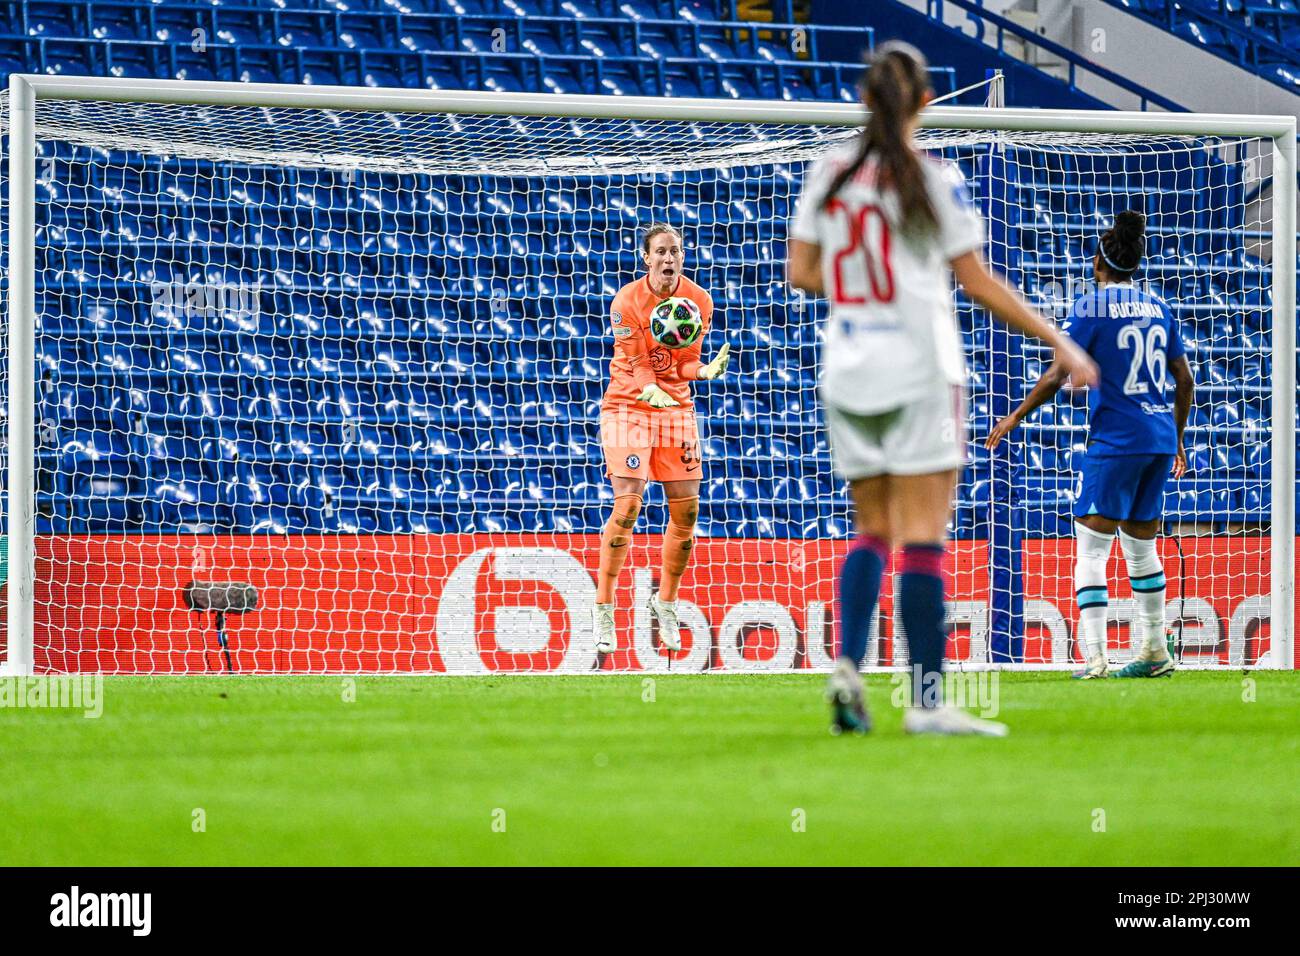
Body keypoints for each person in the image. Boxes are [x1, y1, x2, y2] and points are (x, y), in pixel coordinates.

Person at [787, 40, 1098, 735]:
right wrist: (1060, 341)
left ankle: (848, 667)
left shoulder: (828, 174)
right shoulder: (937, 178)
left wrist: (866, 291)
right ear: (925, 102)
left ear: (865, 100)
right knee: (923, 535)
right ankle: (927, 703)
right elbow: (978, 283)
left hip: (848, 368)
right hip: (923, 368)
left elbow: (802, 273)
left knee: (870, 529)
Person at [986, 210, 1194, 679]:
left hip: (1117, 440)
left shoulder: (1091, 308)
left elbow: (1060, 372)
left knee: (1093, 549)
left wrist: (1016, 415)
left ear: (1098, 264)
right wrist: (1177, 439)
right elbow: (1185, 380)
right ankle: (1155, 651)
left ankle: (1096, 656)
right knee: (1141, 547)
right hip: (1159, 438)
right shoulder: (1158, 307)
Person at [592, 223, 732, 655]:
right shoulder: (626, 302)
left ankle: (666, 601)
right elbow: (637, 365)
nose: (669, 258)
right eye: (661, 252)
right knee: (629, 504)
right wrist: (649, 388)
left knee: (687, 513)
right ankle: (604, 606)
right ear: (646, 258)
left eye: (676, 250)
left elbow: (685, 364)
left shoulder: (700, 301)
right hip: (628, 407)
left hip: (675, 410)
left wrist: (704, 371)